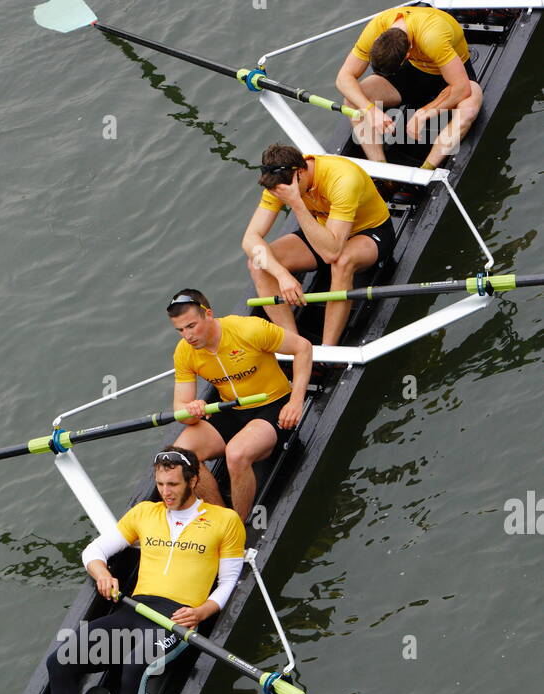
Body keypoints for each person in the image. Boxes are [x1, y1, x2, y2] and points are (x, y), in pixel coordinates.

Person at [47, 447, 246, 694]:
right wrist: (102, 574)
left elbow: (229, 581)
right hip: (133, 610)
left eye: (173, 485)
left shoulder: (225, 520)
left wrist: (201, 612)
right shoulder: (144, 513)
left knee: (134, 665)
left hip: (175, 620)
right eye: (161, 484)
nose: (165, 492)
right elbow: (93, 552)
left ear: (193, 481)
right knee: (59, 662)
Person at [167, 288, 311, 518]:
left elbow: (302, 348)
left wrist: (296, 401)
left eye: (191, 326)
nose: (187, 336)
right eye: (180, 330)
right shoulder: (184, 352)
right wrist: (191, 411)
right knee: (178, 458)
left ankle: (238, 524)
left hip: (274, 406)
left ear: (209, 315)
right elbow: (180, 411)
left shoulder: (249, 329)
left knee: (235, 454)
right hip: (232, 409)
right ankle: (222, 518)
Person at [242, 144, 395, 347]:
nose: (281, 194)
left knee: (341, 262)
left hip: (369, 232)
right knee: (258, 264)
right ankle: (296, 344)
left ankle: (327, 349)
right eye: (278, 191)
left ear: (301, 171)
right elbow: (250, 239)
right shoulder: (280, 183)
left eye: (286, 190)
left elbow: (331, 253)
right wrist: (281, 274)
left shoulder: (342, 179)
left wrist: (296, 203)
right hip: (323, 232)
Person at [336, 7, 481, 170]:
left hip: (450, 80)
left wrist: (422, 114)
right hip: (412, 75)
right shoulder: (376, 27)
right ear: (377, 39)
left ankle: (426, 170)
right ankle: (381, 169)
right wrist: (370, 110)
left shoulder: (432, 37)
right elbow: (343, 78)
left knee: (468, 110)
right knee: (353, 100)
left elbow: (461, 88)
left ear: (407, 55)